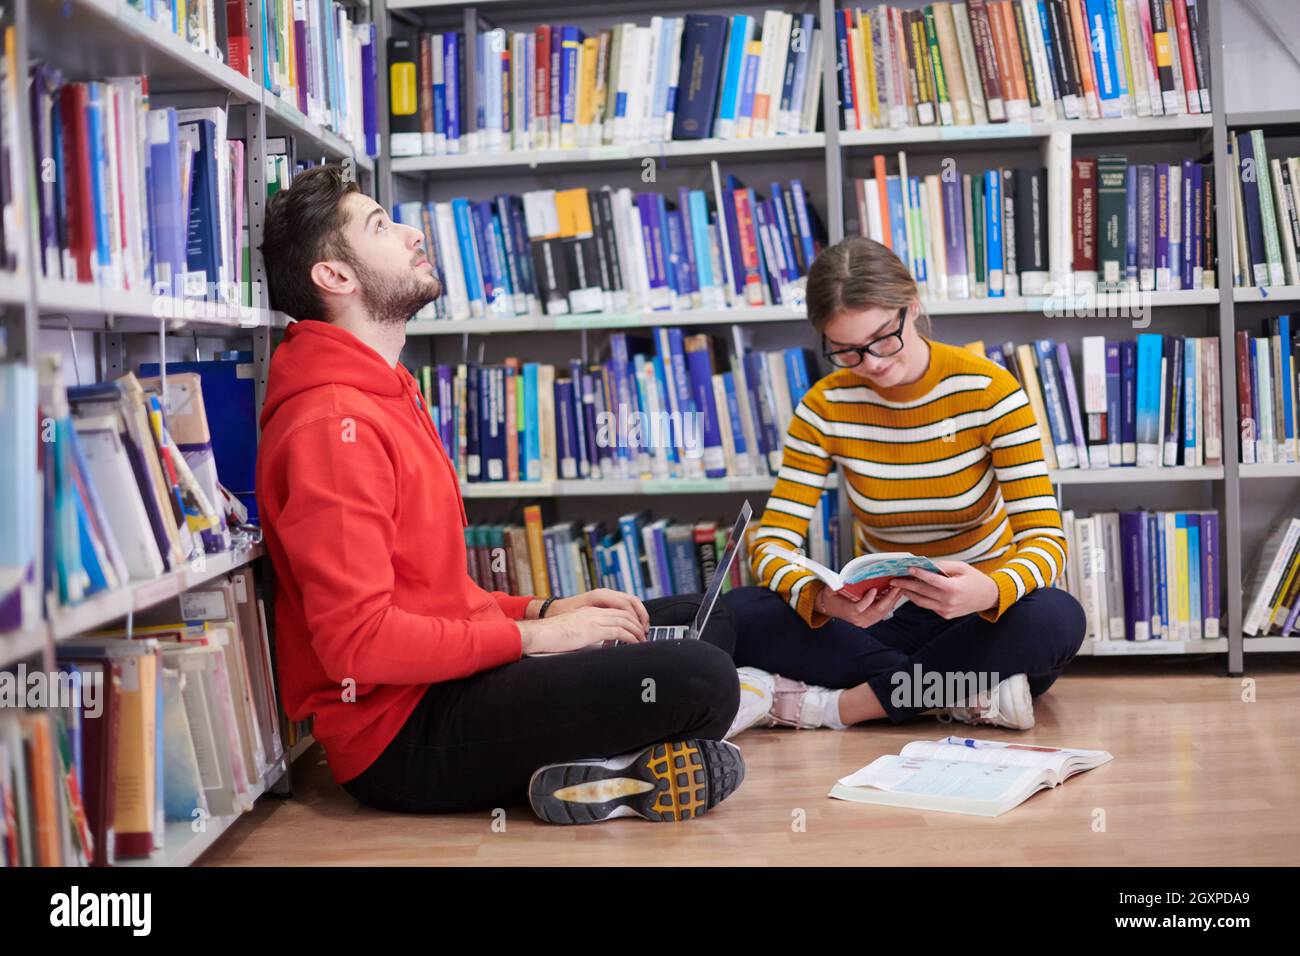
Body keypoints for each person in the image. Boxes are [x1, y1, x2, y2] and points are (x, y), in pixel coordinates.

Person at [255, 165, 744, 824]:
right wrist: (535, 636)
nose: (412, 233)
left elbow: (431, 595)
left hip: (449, 685)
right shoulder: (331, 427)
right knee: (700, 678)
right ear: (335, 277)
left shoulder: (389, 390)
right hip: (402, 742)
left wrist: (546, 605)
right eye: (380, 226)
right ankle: (607, 770)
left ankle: (591, 767)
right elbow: (360, 646)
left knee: (707, 617)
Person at [724, 237, 1086, 736]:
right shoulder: (824, 406)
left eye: (882, 339)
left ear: (911, 306)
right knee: (736, 614)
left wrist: (990, 588)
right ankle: (966, 693)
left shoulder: (989, 390)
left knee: (1056, 619)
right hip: (878, 619)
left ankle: (835, 707)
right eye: (847, 351)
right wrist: (825, 600)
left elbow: (1047, 540)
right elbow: (771, 543)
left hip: (977, 616)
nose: (871, 363)